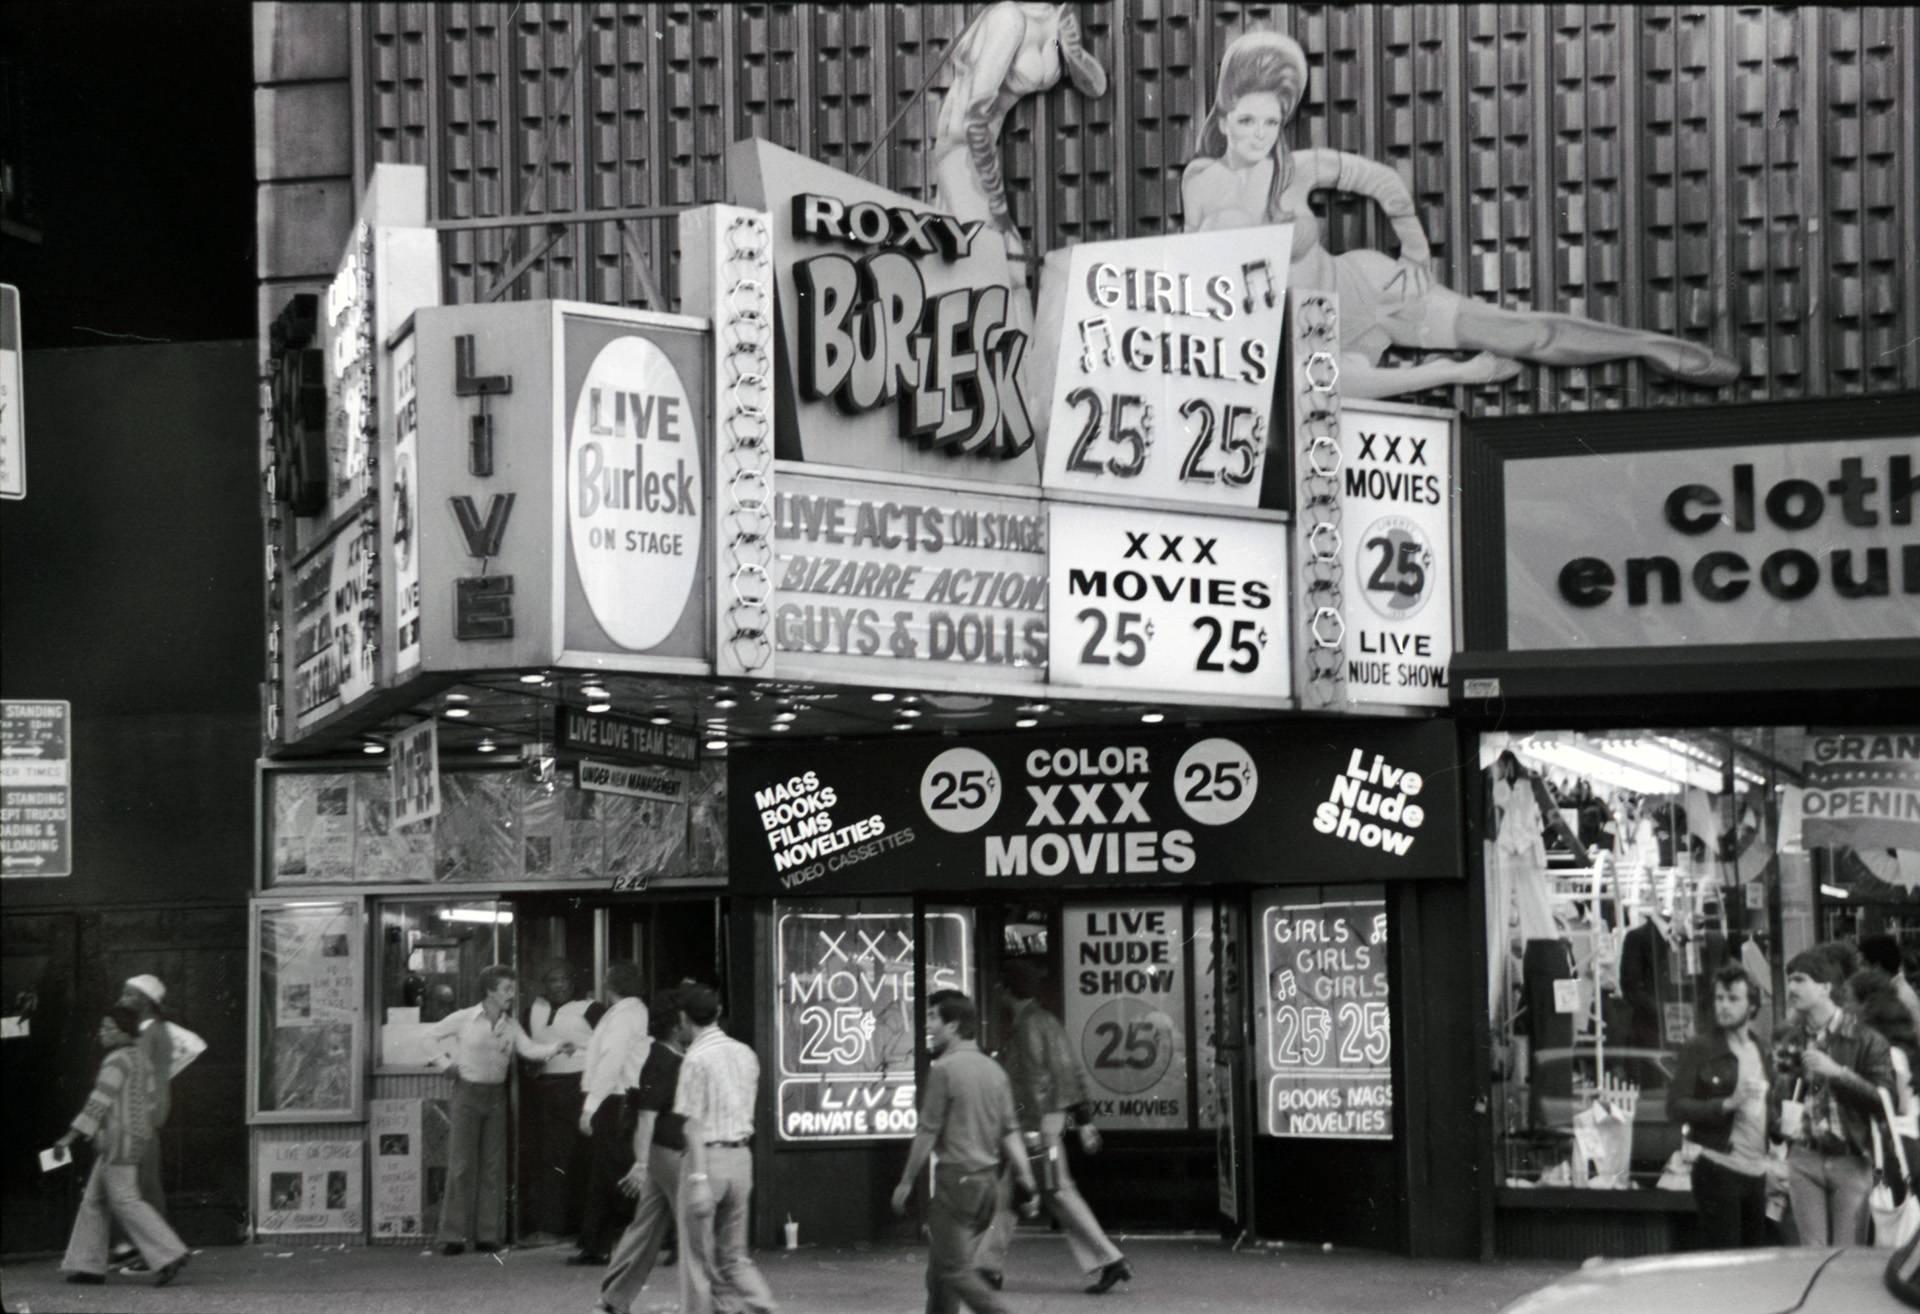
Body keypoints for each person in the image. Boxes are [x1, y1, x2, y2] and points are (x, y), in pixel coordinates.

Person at [1179, 29, 1739, 399]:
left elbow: (1381, 181)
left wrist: (1414, 247)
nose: (1259, 135)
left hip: (1368, 287)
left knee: (1517, 332)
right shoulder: (1202, 184)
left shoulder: (1299, 167)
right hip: (1315, 337)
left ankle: (1648, 345)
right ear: (1225, 120)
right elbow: (1196, 281)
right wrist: (1458, 372)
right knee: (1330, 384)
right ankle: (1456, 372)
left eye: (1271, 123)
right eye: (1247, 122)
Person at [979, 958, 1128, 1295]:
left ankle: (1111, 1259)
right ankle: (987, 1265)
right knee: (1029, 1191)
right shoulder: (1044, 1022)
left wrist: (1030, 1131)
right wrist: (1082, 1117)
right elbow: (1068, 1071)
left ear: (1010, 990)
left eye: (1002, 987)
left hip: (1035, 1121)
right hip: (1048, 1119)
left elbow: (1034, 1082)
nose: (998, 993)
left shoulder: (1027, 1026)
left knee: (1050, 1190)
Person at [892, 990, 1041, 1314]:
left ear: (954, 1025)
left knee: (953, 1270)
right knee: (941, 1271)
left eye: (934, 1018)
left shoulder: (945, 1069)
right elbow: (1010, 1132)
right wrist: (1027, 1180)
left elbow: (928, 1133)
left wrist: (905, 1182)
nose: (928, 1025)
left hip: (956, 1183)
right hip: (987, 1186)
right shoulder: (995, 1071)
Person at [930, 2, 1107, 267]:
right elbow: (974, 120)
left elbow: (1097, 87)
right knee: (991, 264)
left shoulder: (1054, 16)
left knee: (999, 268)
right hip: (962, 150)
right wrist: (997, 205)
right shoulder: (1007, 19)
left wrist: (1074, 51)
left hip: (982, 151)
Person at [425, 964, 577, 1255]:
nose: (512, 995)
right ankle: (453, 1236)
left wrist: (557, 1047)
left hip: (496, 1095)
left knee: (493, 1166)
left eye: (512, 989)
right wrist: (444, 1064)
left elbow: (529, 1049)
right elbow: (428, 1038)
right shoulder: (465, 1019)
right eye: (506, 989)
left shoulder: (510, 1024)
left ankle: (487, 1235)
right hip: (467, 1093)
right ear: (489, 991)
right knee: (461, 1165)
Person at [55, 1005, 189, 1287]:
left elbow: (98, 1102)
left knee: (125, 1200)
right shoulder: (140, 1059)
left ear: (123, 1031)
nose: (102, 1032)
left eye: (108, 1028)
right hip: (133, 1140)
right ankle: (87, 1265)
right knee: (93, 1201)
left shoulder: (116, 1060)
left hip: (116, 1142)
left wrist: (69, 1137)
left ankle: (170, 1253)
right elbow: (151, 1102)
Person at [1774, 949, 1894, 1246]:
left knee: (1845, 1256)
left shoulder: (1865, 1039)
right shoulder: (1792, 1039)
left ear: (1826, 987)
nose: (1791, 988)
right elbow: (1780, 1100)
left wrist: (1838, 1073)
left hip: (1850, 1159)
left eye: (1800, 980)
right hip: (1804, 1157)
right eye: (1789, 980)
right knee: (1812, 1256)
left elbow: (1885, 1101)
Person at [674, 983, 776, 1314]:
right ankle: (765, 1307)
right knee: (734, 1256)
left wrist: (699, 1178)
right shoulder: (745, 1054)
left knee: (698, 1261)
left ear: (684, 1019)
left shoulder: (695, 1059)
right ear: (717, 1014)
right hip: (741, 1158)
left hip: (709, 1159)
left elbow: (693, 1124)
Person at [597, 987, 691, 1314]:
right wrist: (640, 1163)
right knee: (699, 1226)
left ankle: (613, 1299)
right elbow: (646, 1117)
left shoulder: (664, 1056)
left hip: (664, 1154)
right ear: (677, 1023)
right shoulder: (664, 1061)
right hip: (672, 1154)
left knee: (646, 1228)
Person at [1671, 963, 1775, 1248]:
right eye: (1719, 998)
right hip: (1718, 1166)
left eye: (1733, 999)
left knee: (1754, 1262)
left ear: (1752, 1006)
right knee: (1725, 1260)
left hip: (1757, 1170)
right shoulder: (1700, 1048)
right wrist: (1727, 1103)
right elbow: (1675, 1106)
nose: (1724, 1006)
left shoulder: (1762, 1049)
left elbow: (1767, 1108)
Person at [574, 960, 652, 1266]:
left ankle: (604, 1242)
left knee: (611, 1175)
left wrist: (590, 1106)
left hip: (614, 1099)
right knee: (608, 1174)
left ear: (610, 985)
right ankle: (595, 1243)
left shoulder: (621, 1017)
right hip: (625, 1098)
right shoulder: (634, 1012)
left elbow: (611, 1060)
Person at [107, 974, 175, 1272]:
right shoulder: (150, 1032)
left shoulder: (150, 1034)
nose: (121, 999)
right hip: (142, 1115)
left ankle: (156, 1252)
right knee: (138, 1184)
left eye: (128, 994)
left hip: (142, 1116)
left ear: (145, 1002)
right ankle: (138, 1247)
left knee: (146, 1186)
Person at [525, 960, 594, 1244]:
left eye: (564, 979)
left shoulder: (590, 1008)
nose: (559, 985)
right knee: (553, 1159)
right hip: (548, 1088)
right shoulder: (533, 1010)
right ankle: (553, 1227)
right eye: (552, 980)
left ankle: (588, 1228)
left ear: (573, 981)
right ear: (545, 985)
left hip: (583, 1086)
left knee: (585, 1158)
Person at [1861, 935, 1920, 1043]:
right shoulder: (1891, 992)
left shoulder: (1900, 997)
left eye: (1863, 964)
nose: (1859, 970)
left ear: (1876, 967)